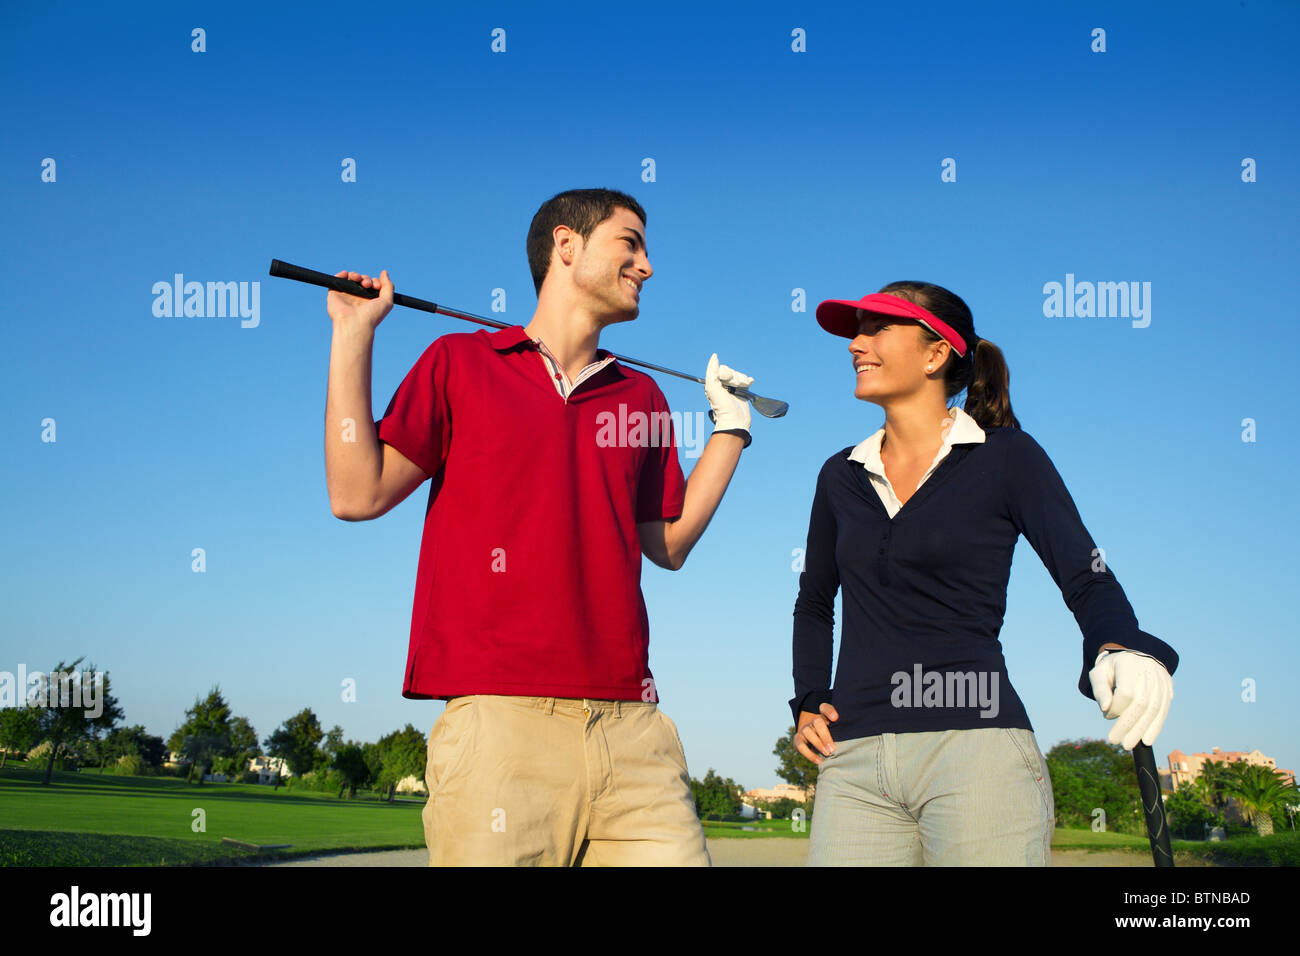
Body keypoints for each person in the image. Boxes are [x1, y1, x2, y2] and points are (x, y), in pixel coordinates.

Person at [323, 188, 755, 866]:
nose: (647, 265)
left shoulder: (641, 397)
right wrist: (353, 335)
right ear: (566, 245)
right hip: (500, 730)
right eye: (631, 243)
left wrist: (729, 431)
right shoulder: (457, 363)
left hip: (632, 731)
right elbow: (356, 492)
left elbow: (667, 546)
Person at [790, 281, 1178, 866]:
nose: (856, 344)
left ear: (934, 353)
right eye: (856, 330)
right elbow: (815, 601)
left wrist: (1118, 645)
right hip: (855, 760)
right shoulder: (838, 474)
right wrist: (809, 699)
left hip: (976, 752)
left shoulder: (1007, 458)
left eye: (877, 328)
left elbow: (1087, 577)